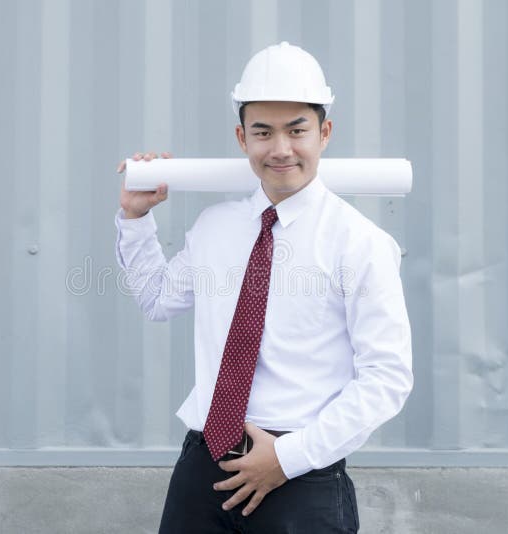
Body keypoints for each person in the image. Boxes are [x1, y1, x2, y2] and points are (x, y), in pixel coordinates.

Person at [115, 42, 412, 533]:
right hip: (203, 466)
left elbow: (387, 378)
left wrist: (287, 457)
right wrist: (135, 216)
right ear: (241, 137)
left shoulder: (359, 243)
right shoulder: (215, 227)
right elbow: (157, 299)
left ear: (324, 133)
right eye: (263, 132)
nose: (280, 149)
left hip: (301, 477)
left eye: (297, 130)